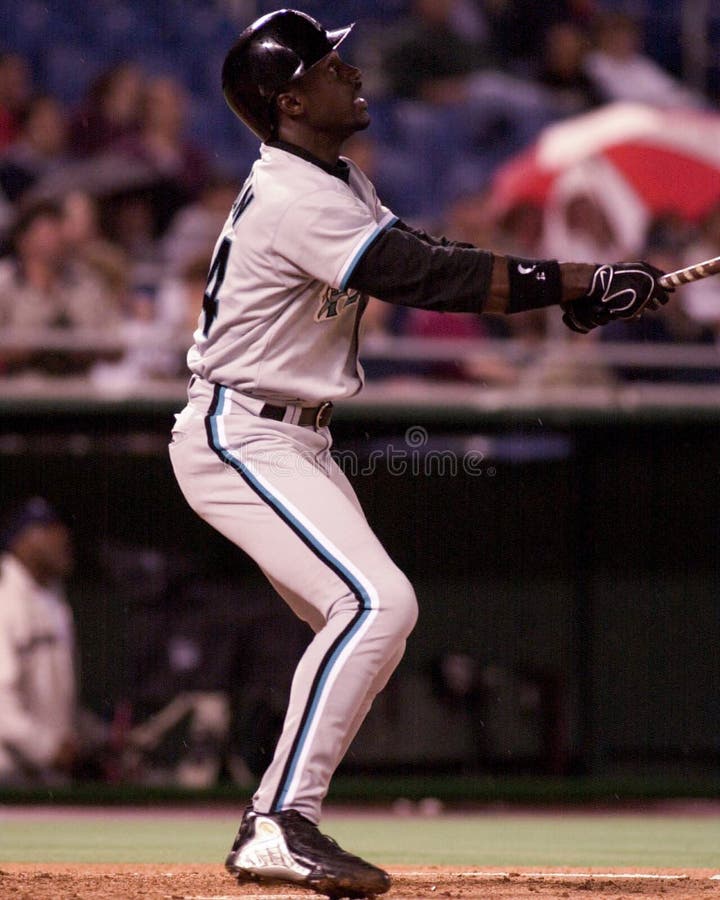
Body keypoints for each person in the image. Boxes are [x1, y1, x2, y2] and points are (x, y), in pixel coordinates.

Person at [168, 10, 670, 899]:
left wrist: (570, 289)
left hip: (292, 435)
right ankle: (278, 822)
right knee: (377, 605)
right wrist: (575, 280)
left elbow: (430, 253)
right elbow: (424, 278)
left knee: (370, 622)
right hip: (240, 430)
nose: (352, 71)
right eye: (329, 65)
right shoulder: (294, 196)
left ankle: (280, 816)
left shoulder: (333, 179)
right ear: (290, 102)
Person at [0, 498, 81, 784]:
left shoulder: (52, 600)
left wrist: (95, 735)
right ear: (19, 540)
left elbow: (54, 699)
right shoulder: (5, 600)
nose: (61, 536)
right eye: (46, 528)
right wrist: (49, 749)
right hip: (8, 776)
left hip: (46, 776)